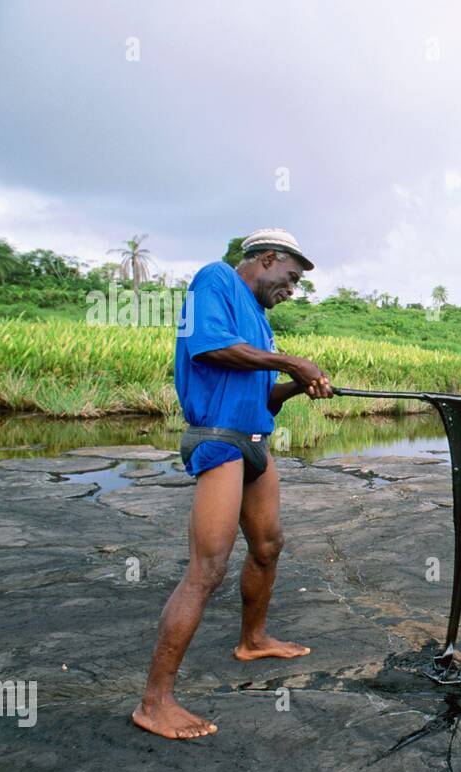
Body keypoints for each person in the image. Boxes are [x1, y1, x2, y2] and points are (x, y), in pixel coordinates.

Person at [133, 228, 333, 740]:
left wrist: (296, 384)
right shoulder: (215, 279)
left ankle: (253, 639)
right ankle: (155, 702)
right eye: (290, 277)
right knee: (208, 567)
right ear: (268, 259)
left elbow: (264, 398)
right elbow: (210, 349)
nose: (291, 289)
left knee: (268, 545)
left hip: (254, 440)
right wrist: (291, 360)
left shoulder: (261, 322)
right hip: (218, 439)